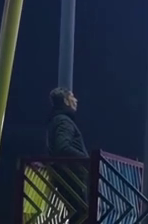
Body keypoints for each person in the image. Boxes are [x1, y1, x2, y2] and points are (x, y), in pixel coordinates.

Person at [42, 89, 89, 224]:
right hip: (71, 175)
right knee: (82, 215)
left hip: (67, 175)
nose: (76, 100)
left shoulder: (57, 120)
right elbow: (62, 147)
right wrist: (86, 160)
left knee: (79, 214)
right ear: (65, 101)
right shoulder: (63, 121)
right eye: (72, 97)